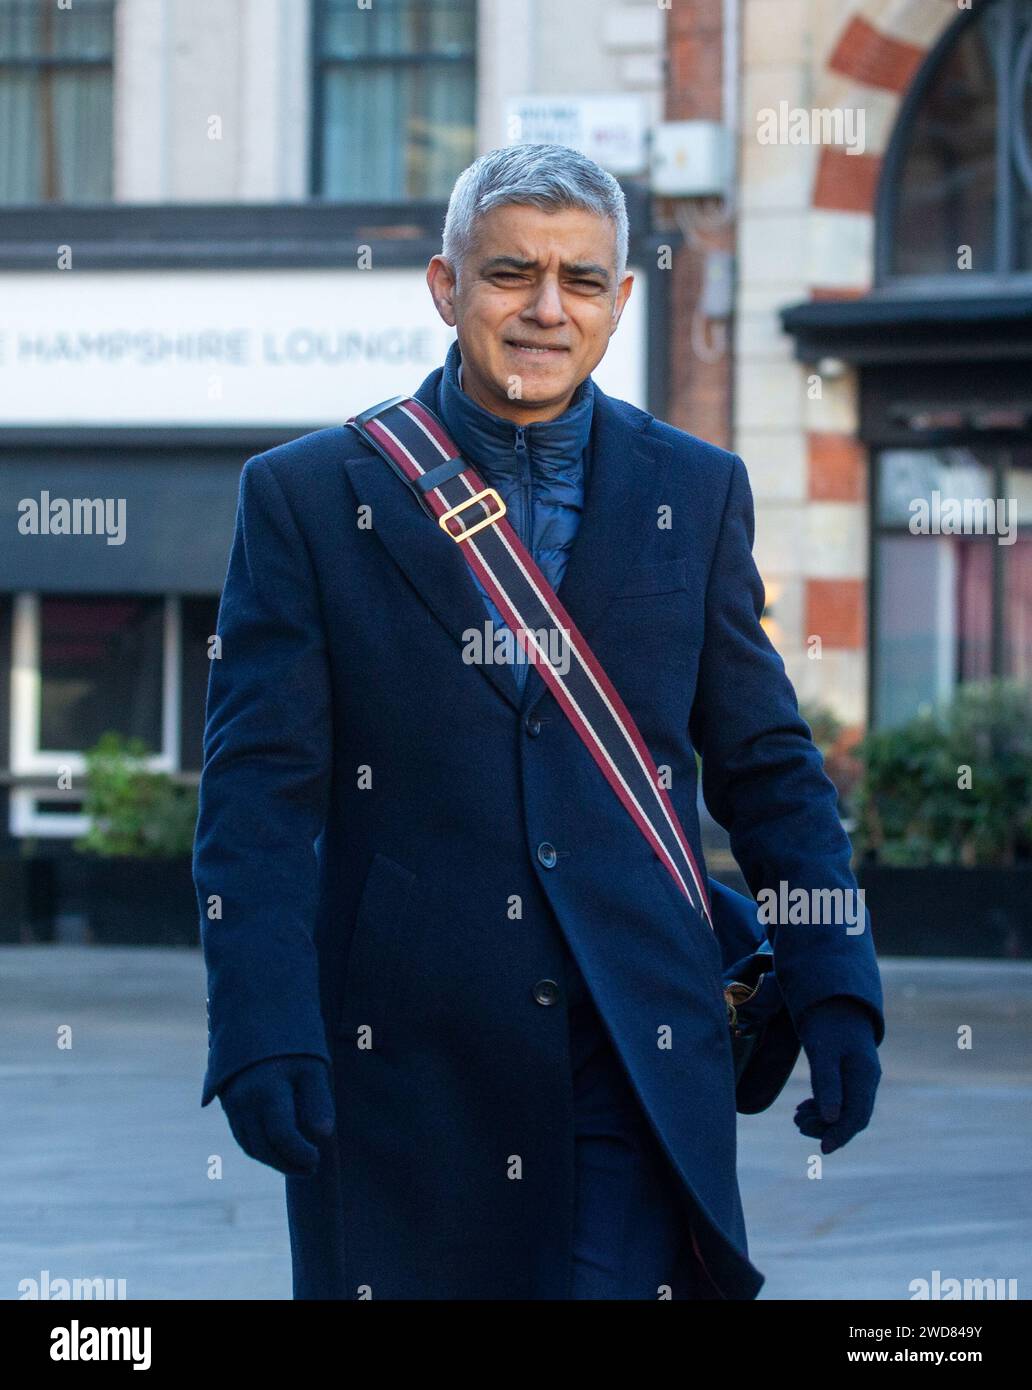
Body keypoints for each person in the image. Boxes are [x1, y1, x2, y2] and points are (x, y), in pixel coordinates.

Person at [195, 142, 884, 1300]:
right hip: (403, 1053)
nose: (544, 310)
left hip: (639, 1037)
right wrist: (261, 1021)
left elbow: (768, 765)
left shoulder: (696, 490)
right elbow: (256, 796)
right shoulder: (307, 498)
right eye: (511, 274)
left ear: (621, 302)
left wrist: (835, 979)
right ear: (444, 285)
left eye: (579, 281)